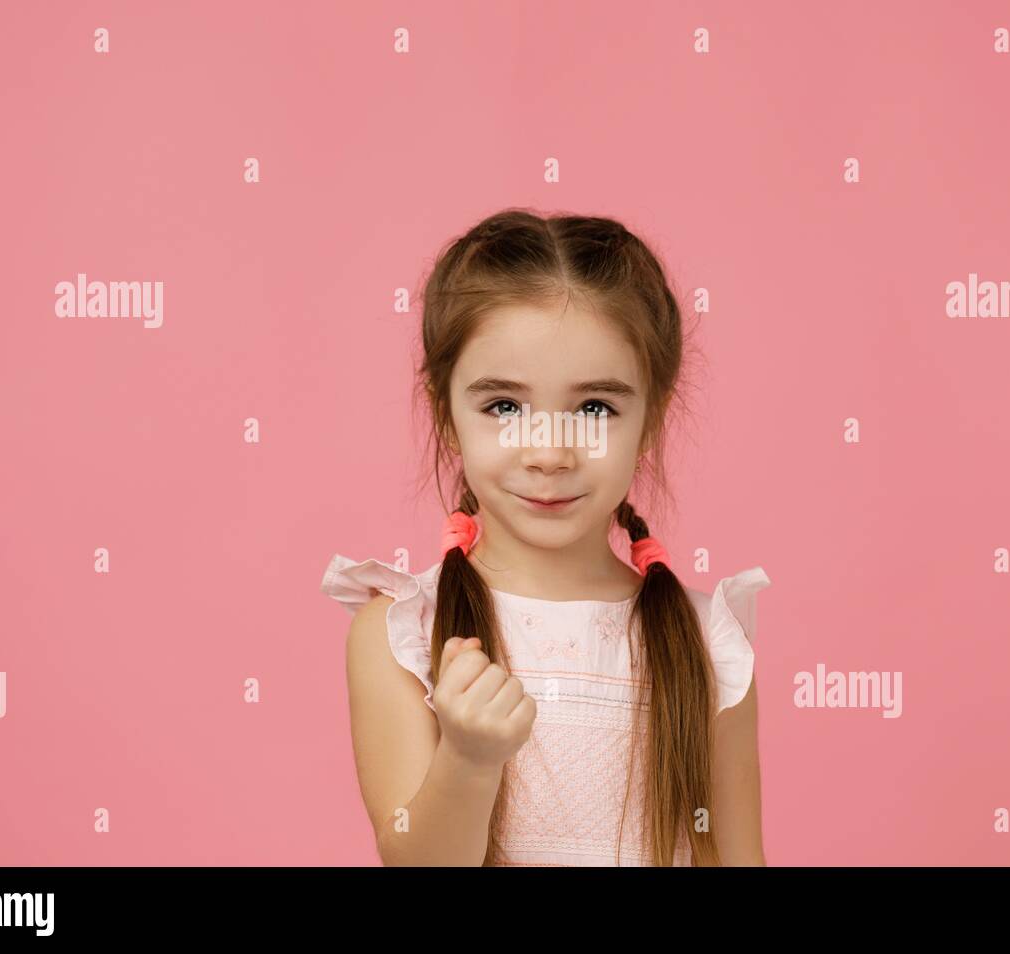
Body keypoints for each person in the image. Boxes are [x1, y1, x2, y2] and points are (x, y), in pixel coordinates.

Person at [321, 209, 770, 865]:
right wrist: (470, 760)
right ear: (447, 415)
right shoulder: (403, 631)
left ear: (652, 417)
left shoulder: (705, 641)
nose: (550, 453)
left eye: (595, 409)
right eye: (504, 407)